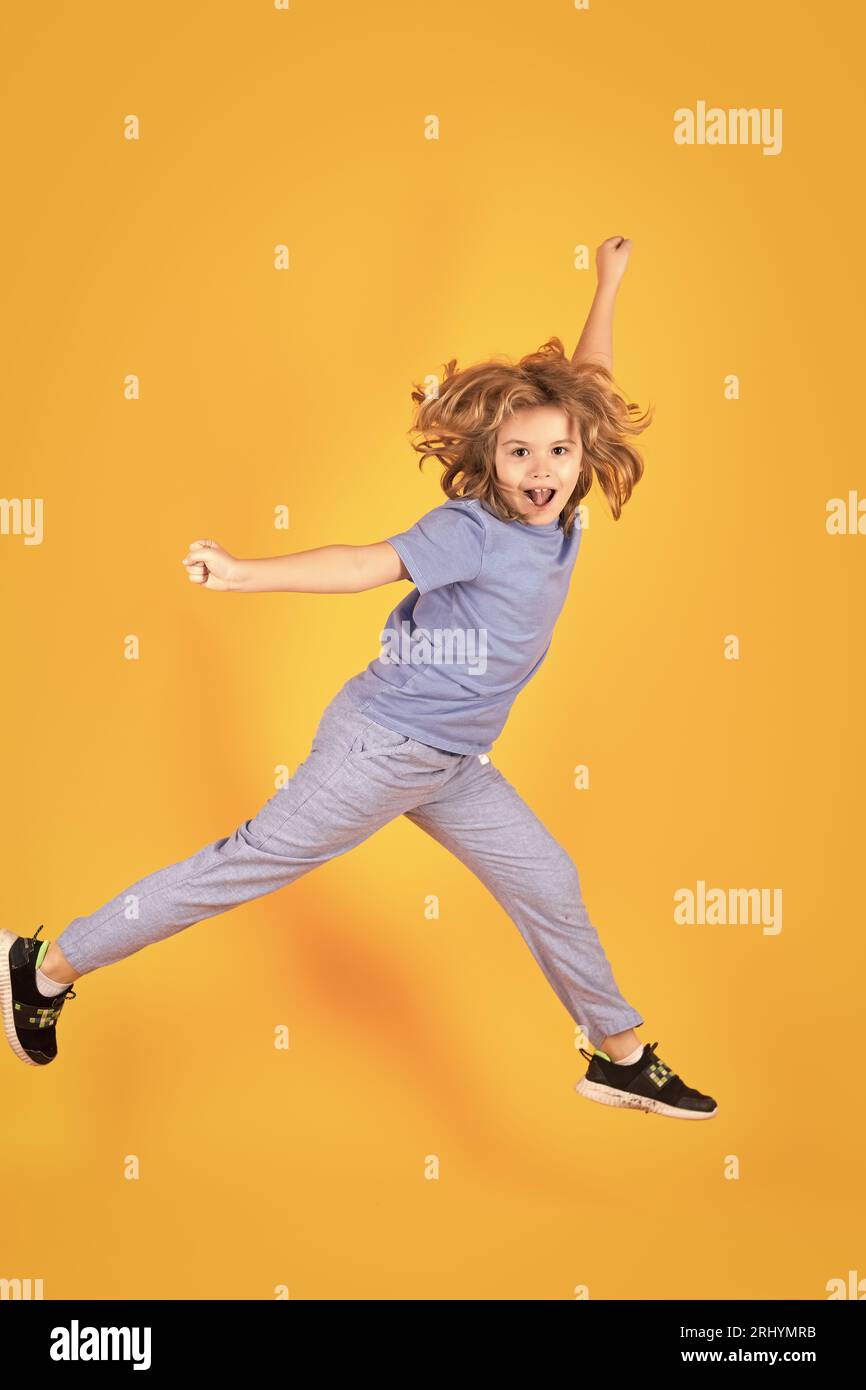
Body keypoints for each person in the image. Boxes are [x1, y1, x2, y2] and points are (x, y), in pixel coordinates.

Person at [0, 235, 717, 1119]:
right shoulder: (471, 530)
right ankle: (42, 965)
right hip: (382, 747)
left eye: (558, 454)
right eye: (519, 455)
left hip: (453, 760)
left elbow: (591, 386)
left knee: (548, 881)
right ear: (490, 461)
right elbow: (363, 564)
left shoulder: (565, 489)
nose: (542, 472)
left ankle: (620, 1057)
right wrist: (247, 571)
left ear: (582, 454)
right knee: (244, 866)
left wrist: (607, 283)